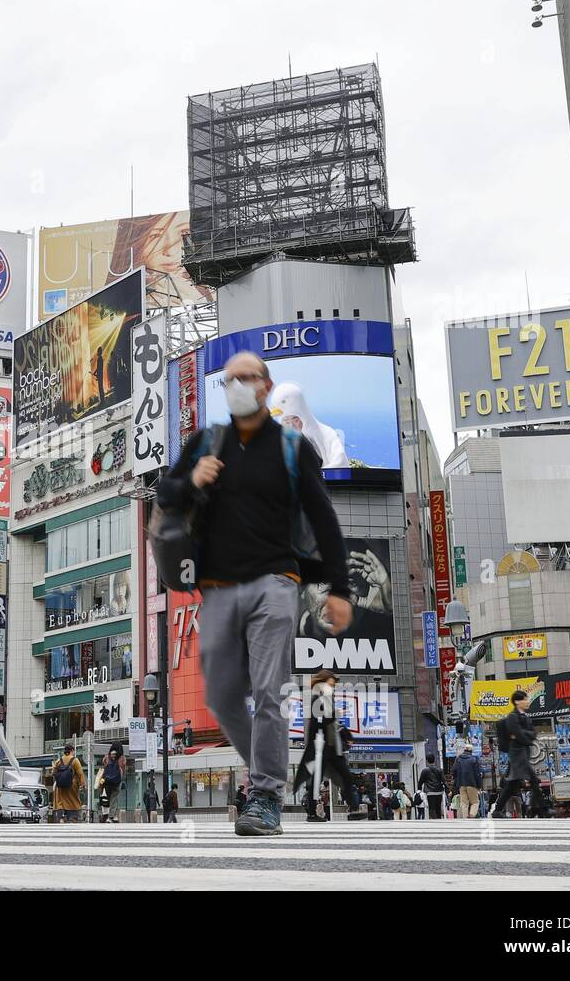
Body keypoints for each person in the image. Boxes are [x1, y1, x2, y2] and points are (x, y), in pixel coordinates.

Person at [156, 350, 352, 837]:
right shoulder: (207, 441)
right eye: (229, 379)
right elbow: (165, 496)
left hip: (274, 584)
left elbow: (324, 519)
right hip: (217, 589)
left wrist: (340, 588)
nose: (236, 385)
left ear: (266, 386)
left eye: (246, 378)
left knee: (270, 692)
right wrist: (190, 479)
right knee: (221, 697)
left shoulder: (292, 447)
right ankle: (270, 778)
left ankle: (264, 794)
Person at [291, 670, 364, 822]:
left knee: (346, 776)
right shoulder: (316, 699)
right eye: (330, 684)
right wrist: (334, 714)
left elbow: (335, 725)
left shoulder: (328, 699)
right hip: (320, 747)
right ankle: (312, 814)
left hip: (333, 748)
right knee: (315, 780)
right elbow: (320, 722)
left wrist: (347, 735)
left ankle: (354, 809)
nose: (332, 687)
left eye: (333, 685)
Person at [492, 692, 551, 818]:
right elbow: (519, 734)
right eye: (525, 699)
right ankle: (542, 809)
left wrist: (523, 736)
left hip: (522, 751)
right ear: (517, 701)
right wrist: (525, 736)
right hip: (517, 753)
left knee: (512, 785)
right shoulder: (512, 717)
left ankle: (498, 810)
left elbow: (531, 734)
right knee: (533, 779)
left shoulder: (525, 717)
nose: (527, 701)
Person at [268, 382, 350, 468]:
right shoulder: (276, 440)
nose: (291, 425)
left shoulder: (328, 434)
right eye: (286, 421)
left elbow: (340, 463)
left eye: (295, 419)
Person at [51, 743, 86, 824]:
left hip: (60, 785)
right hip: (72, 784)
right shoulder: (75, 760)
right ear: (71, 751)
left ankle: (62, 817)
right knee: (73, 800)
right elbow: (80, 773)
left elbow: (53, 771)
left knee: (61, 801)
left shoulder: (59, 760)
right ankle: (72, 818)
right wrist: (83, 784)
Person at [98, 743, 126, 823]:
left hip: (107, 781)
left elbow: (104, 767)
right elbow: (123, 769)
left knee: (108, 798)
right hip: (116, 781)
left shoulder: (107, 757)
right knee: (114, 798)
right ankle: (111, 816)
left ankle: (107, 815)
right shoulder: (122, 758)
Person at [453, 743, 481, 819]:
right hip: (472, 784)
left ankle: (465, 818)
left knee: (464, 803)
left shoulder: (458, 759)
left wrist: (457, 780)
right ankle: (471, 815)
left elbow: (454, 770)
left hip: (461, 784)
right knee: (475, 802)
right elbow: (477, 774)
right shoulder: (474, 759)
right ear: (471, 751)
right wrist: (479, 785)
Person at [418, 754, 446, 820]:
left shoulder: (425, 770)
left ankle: (433, 820)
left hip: (429, 792)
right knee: (438, 807)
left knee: (431, 807)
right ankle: (439, 819)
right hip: (439, 791)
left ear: (427, 761)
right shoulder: (439, 770)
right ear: (434, 760)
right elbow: (444, 781)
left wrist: (419, 790)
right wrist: (447, 790)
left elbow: (420, 781)